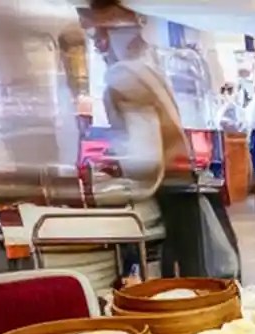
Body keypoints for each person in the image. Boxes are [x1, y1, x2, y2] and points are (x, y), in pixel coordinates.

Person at [86, 0, 213, 278]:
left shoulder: (123, 76)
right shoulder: (149, 68)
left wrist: (113, 166)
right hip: (179, 187)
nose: (96, 43)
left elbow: (145, 159)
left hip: (160, 197)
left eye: (97, 34)